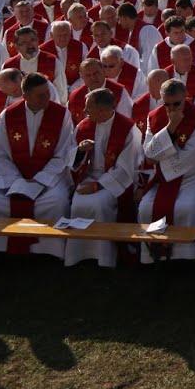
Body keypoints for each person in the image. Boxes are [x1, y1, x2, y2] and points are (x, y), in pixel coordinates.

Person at [0, 72, 74, 262]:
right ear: (26, 96)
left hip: (48, 177)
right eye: (41, 95)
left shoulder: (61, 114)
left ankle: (47, 254)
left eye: (47, 93)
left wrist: (39, 179)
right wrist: (16, 180)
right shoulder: (9, 115)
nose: (47, 98)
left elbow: (63, 153)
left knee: (55, 203)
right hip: (12, 177)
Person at [139, 77, 195, 262]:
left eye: (176, 104)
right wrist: (171, 126)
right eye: (167, 104)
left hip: (192, 176)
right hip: (163, 178)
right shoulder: (154, 117)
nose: (172, 109)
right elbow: (149, 153)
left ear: (185, 97)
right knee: (145, 208)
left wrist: (162, 157)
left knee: (188, 208)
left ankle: (187, 256)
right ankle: (154, 256)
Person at [63, 88, 140, 268]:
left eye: (88, 107)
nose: (84, 112)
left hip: (115, 182)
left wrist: (98, 186)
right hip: (88, 176)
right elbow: (71, 155)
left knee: (97, 204)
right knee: (78, 204)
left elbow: (126, 168)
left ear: (103, 111)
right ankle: (78, 255)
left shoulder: (128, 130)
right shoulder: (84, 126)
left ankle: (104, 257)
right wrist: (80, 151)